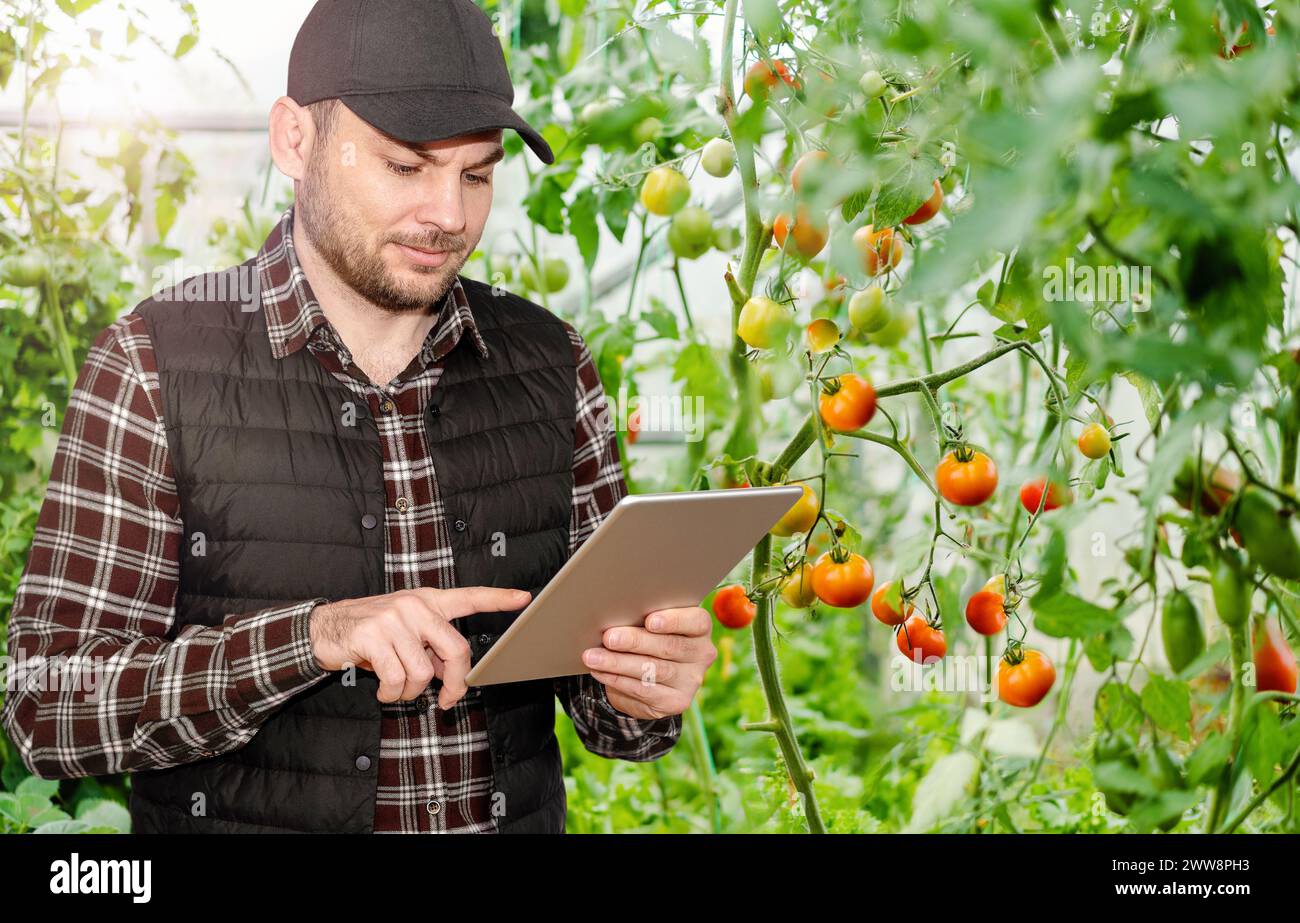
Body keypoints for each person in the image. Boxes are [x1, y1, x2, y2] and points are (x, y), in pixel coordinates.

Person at [0, 0, 716, 834]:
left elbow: (612, 720)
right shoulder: (153, 364)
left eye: (476, 174)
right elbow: (47, 704)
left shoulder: (552, 362)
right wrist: (315, 636)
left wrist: (643, 686)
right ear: (294, 141)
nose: (449, 214)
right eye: (406, 168)